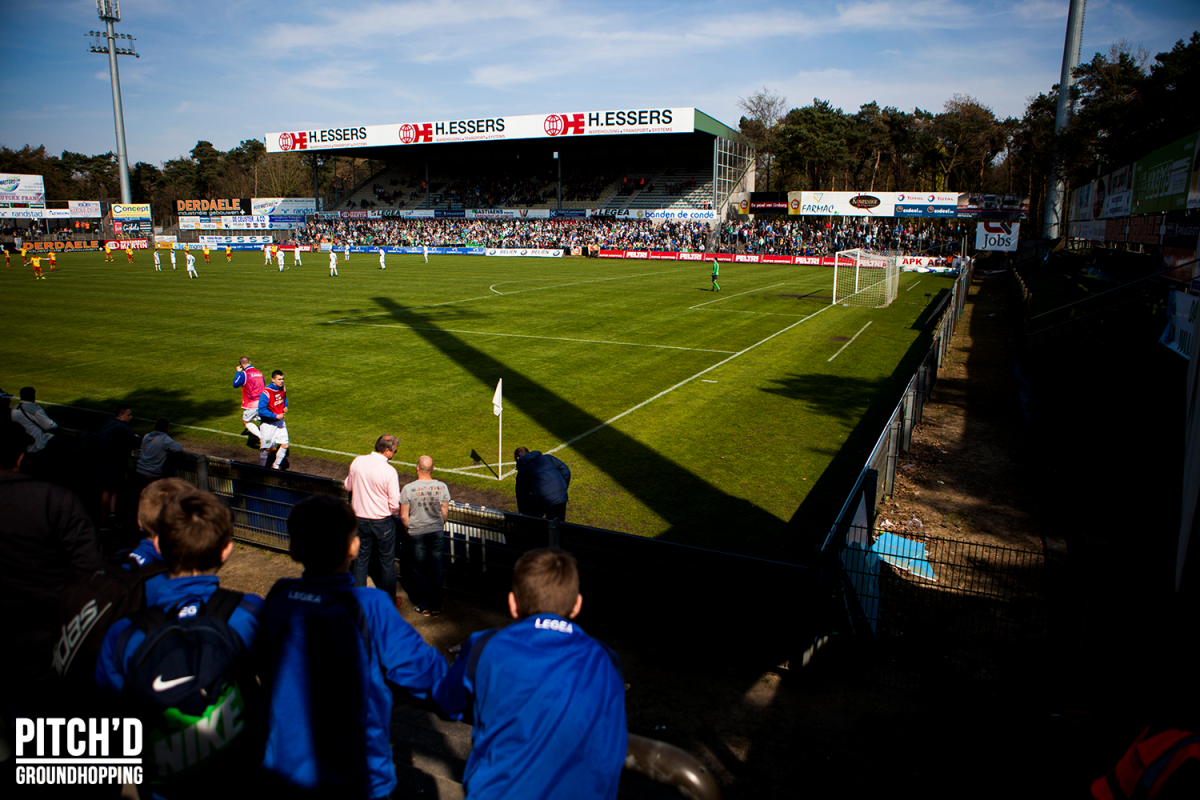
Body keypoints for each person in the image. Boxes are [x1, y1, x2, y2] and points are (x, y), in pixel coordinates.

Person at [256, 495, 447, 798]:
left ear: (292, 548)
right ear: (354, 547)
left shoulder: (280, 596)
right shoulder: (371, 606)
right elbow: (428, 675)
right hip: (354, 778)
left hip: (282, 771)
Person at [93, 488, 265, 793]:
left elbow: (110, 723)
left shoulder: (124, 633)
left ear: (158, 544)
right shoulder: (249, 611)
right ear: (226, 550)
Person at [432, 547, 627, 800]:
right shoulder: (606, 660)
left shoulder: (486, 645)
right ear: (577, 605)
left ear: (513, 604)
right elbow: (612, 743)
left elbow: (447, 700)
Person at [0, 420, 106, 719]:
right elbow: (92, 570)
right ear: (22, 455)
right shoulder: (55, 499)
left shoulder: (52, 500)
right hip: (52, 639)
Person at [345, 435, 401, 610]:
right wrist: (395, 515)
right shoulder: (389, 471)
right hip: (382, 521)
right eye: (394, 451)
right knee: (387, 562)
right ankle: (390, 600)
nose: (395, 453)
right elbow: (394, 503)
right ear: (386, 450)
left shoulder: (358, 461)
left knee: (360, 560)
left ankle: (359, 599)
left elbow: (348, 486)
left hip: (359, 519)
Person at [400, 455, 449, 617]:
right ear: (433, 468)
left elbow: (404, 516)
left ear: (417, 468)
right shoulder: (442, 487)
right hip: (435, 532)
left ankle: (424, 606)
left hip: (417, 534)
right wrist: (437, 524)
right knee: (435, 570)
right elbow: (444, 511)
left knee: (420, 571)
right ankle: (436, 606)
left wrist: (410, 528)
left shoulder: (408, 488)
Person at [98, 403, 140, 531]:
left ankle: (112, 515)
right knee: (107, 490)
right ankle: (103, 522)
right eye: (128, 414)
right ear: (120, 415)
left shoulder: (109, 422)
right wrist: (136, 437)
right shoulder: (120, 427)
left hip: (105, 461)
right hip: (112, 463)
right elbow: (135, 441)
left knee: (112, 488)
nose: (131, 417)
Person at [514, 446, 571, 521]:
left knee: (531, 521)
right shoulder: (547, 458)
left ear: (518, 458)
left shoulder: (522, 472)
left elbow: (521, 495)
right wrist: (563, 486)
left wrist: (523, 512)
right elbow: (565, 471)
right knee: (557, 526)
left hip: (542, 499)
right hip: (560, 495)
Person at [135, 417, 184, 489]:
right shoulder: (165, 439)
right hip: (152, 475)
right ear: (167, 428)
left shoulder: (147, 436)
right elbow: (178, 448)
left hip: (139, 472)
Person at [11, 386, 56, 456]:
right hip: (36, 446)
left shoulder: (14, 408)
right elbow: (49, 426)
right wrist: (55, 424)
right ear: (33, 396)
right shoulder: (36, 409)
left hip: (21, 446)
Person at [258, 370, 289, 469]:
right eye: (279, 379)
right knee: (266, 448)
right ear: (273, 380)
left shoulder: (283, 388)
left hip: (280, 423)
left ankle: (275, 466)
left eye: (282, 379)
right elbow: (261, 410)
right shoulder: (266, 393)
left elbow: (284, 398)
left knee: (285, 445)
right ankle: (262, 469)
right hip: (268, 424)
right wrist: (275, 416)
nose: (282, 381)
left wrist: (285, 406)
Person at [233, 356, 266, 443]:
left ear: (241, 365)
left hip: (251, 403)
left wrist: (238, 372)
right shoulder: (259, 373)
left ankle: (262, 438)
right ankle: (270, 444)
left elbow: (235, 384)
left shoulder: (245, 373)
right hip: (262, 402)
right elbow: (264, 386)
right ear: (250, 362)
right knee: (263, 421)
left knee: (246, 421)